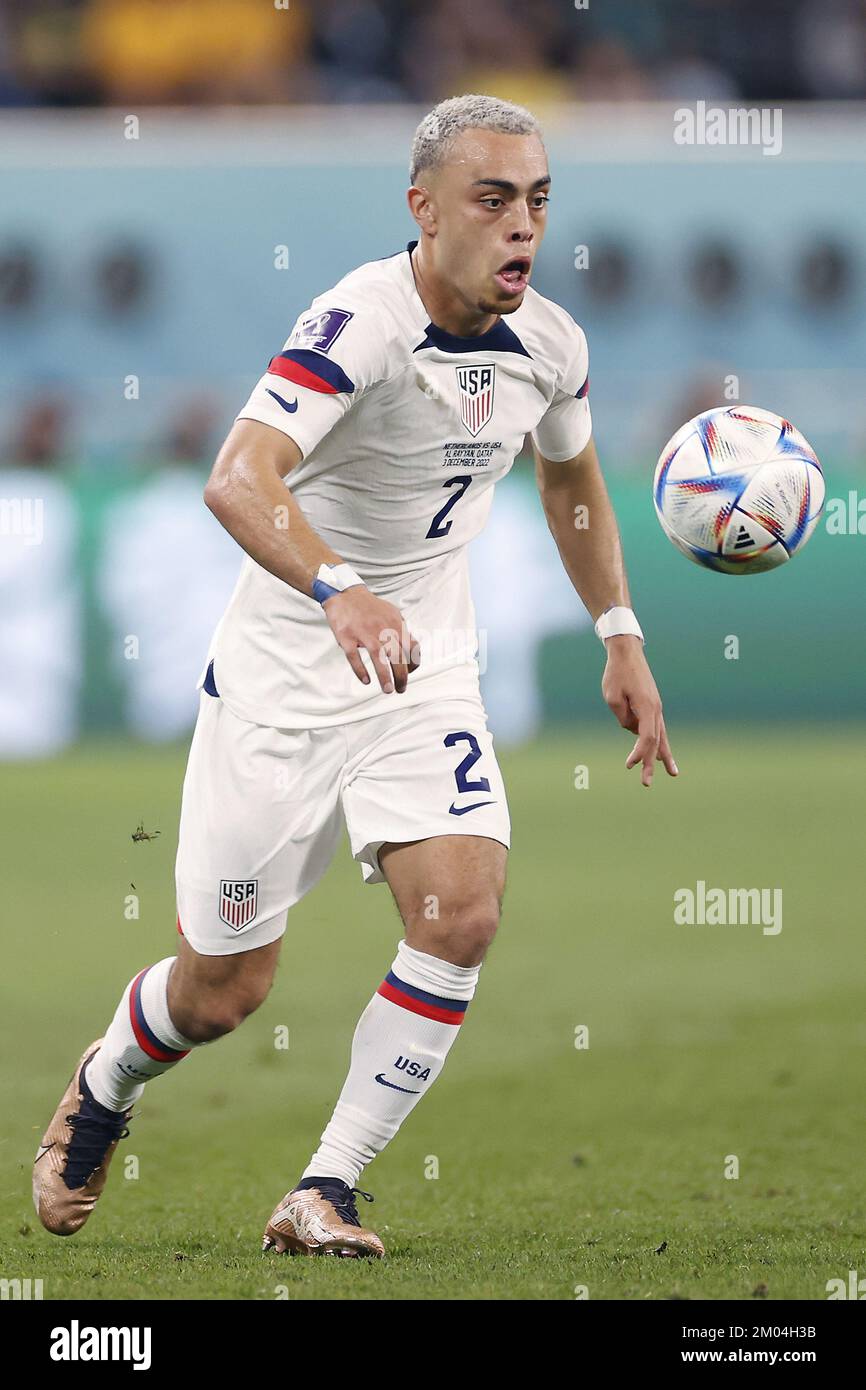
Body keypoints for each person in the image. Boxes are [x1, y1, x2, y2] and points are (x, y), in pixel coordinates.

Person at [33, 93, 677, 1259]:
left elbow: (569, 482)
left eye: (536, 201)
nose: (520, 227)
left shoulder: (553, 345)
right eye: (492, 201)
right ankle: (109, 1076)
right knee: (223, 990)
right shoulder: (356, 322)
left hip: (421, 668)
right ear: (422, 210)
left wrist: (618, 630)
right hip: (286, 672)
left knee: (462, 911)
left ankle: (323, 1186)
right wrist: (339, 589)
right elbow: (237, 477)